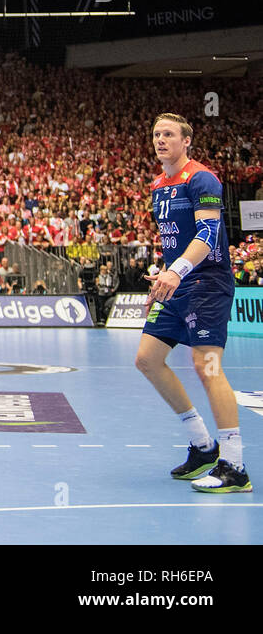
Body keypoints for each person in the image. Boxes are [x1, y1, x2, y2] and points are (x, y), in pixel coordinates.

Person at [135, 113, 250, 494]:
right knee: (147, 359)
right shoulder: (157, 184)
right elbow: (175, 239)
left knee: (207, 365)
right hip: (176, 281)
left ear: (187, 141)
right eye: (156, 134)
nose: (160, 139)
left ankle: (235, 467)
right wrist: (164, 274)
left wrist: (177, 271)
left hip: (206, 281)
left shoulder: (201, 178)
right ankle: (204, 447)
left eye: (168, 134)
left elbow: (208, 233)